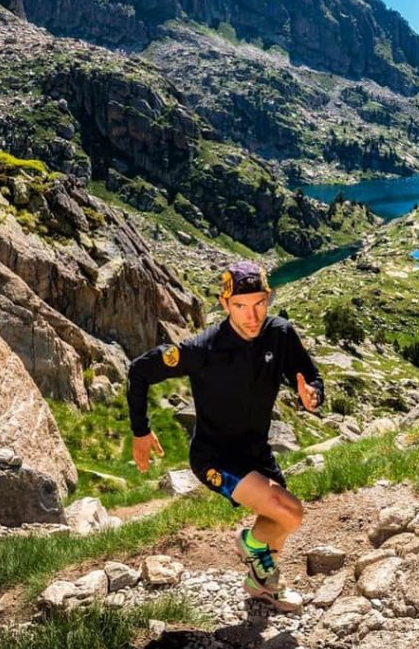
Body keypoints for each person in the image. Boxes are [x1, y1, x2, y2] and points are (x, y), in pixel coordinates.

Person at [127, 260, 324, 611]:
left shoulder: (279, 334)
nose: (252, 316)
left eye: (259, 304)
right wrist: (141, 431)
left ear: (268, 297)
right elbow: (140, 370)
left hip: (256, 453)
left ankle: (261, 582)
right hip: (214, 457)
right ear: (224, 304)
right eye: (240, 306)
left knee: (284, 520)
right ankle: (250, 545)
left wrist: (312, 396)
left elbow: (310, 376)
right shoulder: (202, 350)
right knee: (287, 511)